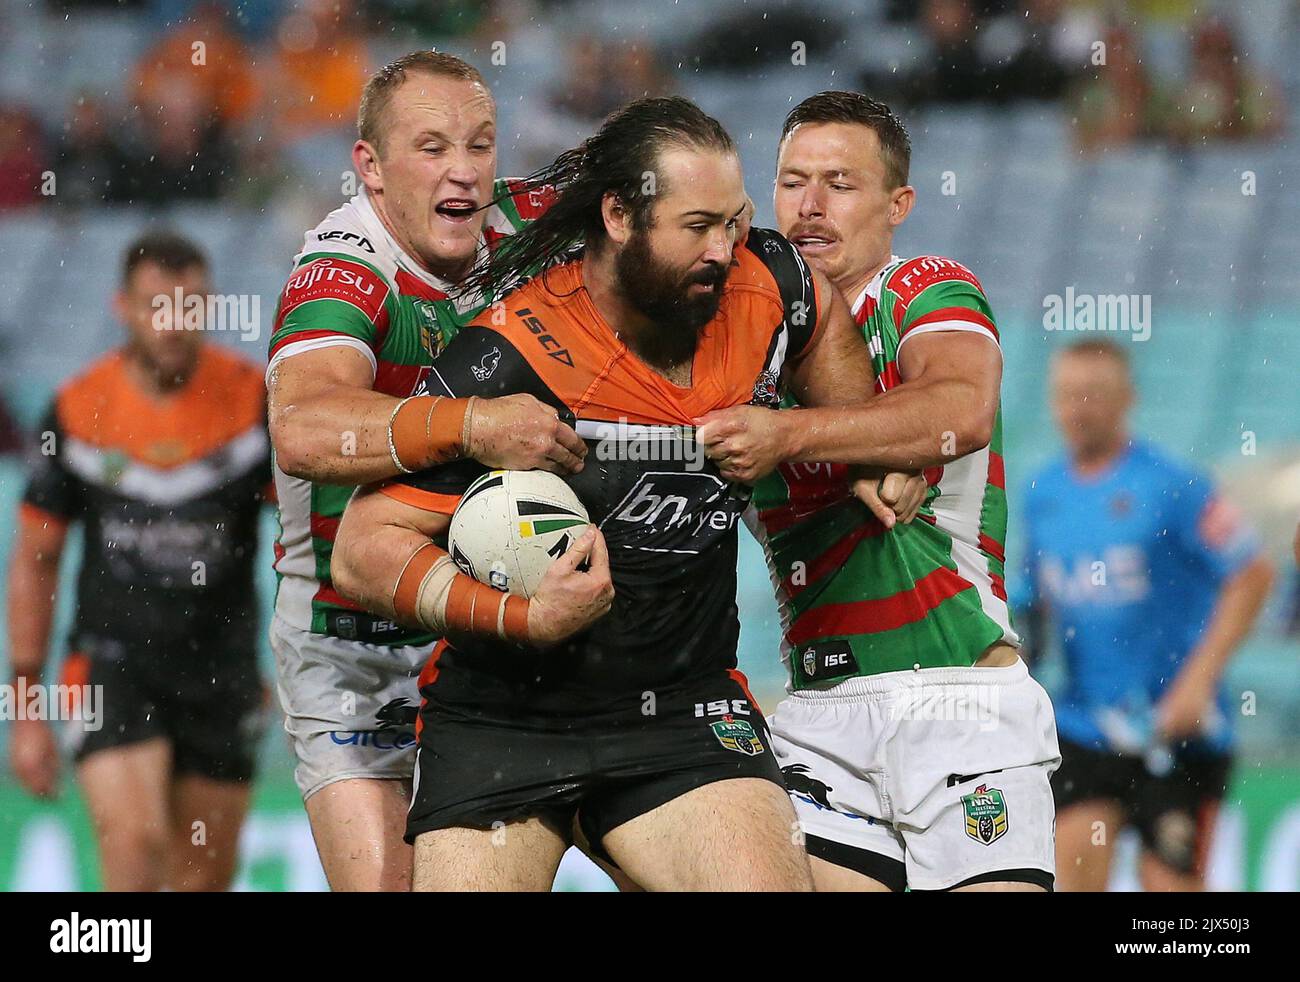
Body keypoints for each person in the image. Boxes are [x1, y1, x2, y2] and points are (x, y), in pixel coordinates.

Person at [329, 96, 912, 891]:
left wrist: (859, 437)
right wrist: (522, 617)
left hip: (683, 710)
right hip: (503, 723)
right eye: (697, 226)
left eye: (735, 223)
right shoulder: (510, 357)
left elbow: (821, 326)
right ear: (618, 216)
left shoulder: (768, 283)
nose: (725, 249)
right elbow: (363, 550)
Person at [701, 90, 1060, 891]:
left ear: (898, 204)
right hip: (821, 713)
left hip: (960, 700)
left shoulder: (925, 288)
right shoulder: (741, 344)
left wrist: (797, 435)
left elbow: (960, 407)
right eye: (793, 182)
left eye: (841, 182)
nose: (812, 207)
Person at [265, 50, 588, 892]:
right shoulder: (341, 269)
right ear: (368, 168)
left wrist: (844, 422)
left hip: (492, 641)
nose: (464, 170)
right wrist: (477, 425)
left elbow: (701, 204)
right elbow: (303, 428)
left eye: (481, 145)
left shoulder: (533, 224)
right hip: (353, 651)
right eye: (432, 147)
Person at [6, 232, 272, 890]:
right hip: (110, 664)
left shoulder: (252, 404)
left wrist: (289, 665)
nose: (173, 325)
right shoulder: (74, 410)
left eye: (189, 306)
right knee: (134, 855)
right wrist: (26, 709)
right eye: (157, 306)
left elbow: (308, 539)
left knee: (202, 879)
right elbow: (37, 561)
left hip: (223, 669)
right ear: (121, 307)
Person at [1018, 340, 1274, 891]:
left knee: (1171, 893)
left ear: (1127, 399)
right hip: (1085, 725)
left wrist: (1198, 681)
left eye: (1093, 394)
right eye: (1065, 395)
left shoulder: (1172, 485)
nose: (1077, 408)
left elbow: (1252, 573)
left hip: (1178, 730)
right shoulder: (1043, 493)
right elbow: (1031, 605)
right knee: (1074, 869)